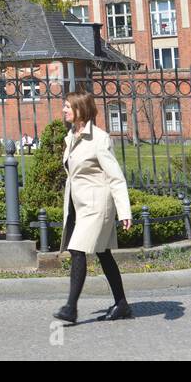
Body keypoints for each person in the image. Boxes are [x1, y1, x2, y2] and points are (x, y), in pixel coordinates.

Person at [54, 91, 134, 323]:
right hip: (81, 205)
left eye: (68, 106)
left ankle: (70, 307)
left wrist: (124, 211)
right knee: (103, 253)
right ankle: (121, 304)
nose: (64, 110)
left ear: (81, 110)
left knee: (77, 249)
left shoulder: (99, 139)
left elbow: (116, 177)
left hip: (98, 205)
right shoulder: (71, 137)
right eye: (64, 106)